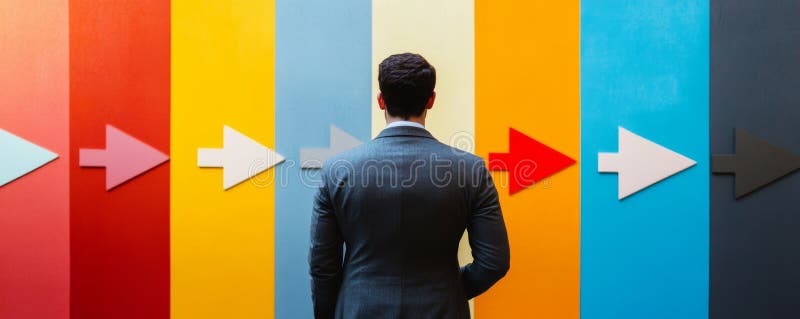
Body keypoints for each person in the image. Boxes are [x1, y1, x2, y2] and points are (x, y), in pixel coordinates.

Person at [309, 53, 510, 319]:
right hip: (443, 309)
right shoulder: (471, 170)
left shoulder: (337, 170)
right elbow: (494, 263)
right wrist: (450, 290)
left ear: (381, 101)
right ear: (431, 100)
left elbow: (323, 267)